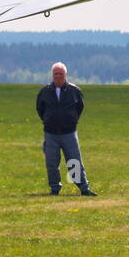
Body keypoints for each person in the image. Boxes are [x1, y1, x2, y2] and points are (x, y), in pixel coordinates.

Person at [36, 62, 96, 196]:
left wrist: (71, 121)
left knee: (74, 161)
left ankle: (83, 187)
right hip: (51, 133)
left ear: (65, 75)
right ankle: (55, 188)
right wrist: (48, 121)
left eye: (61, 74)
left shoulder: (74, 91)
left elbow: (79, 108)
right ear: (52, 75)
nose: (58, 76)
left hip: (69, 133)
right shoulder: (44, 92)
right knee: (51, 162)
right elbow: (40, 109)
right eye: (56, 74)